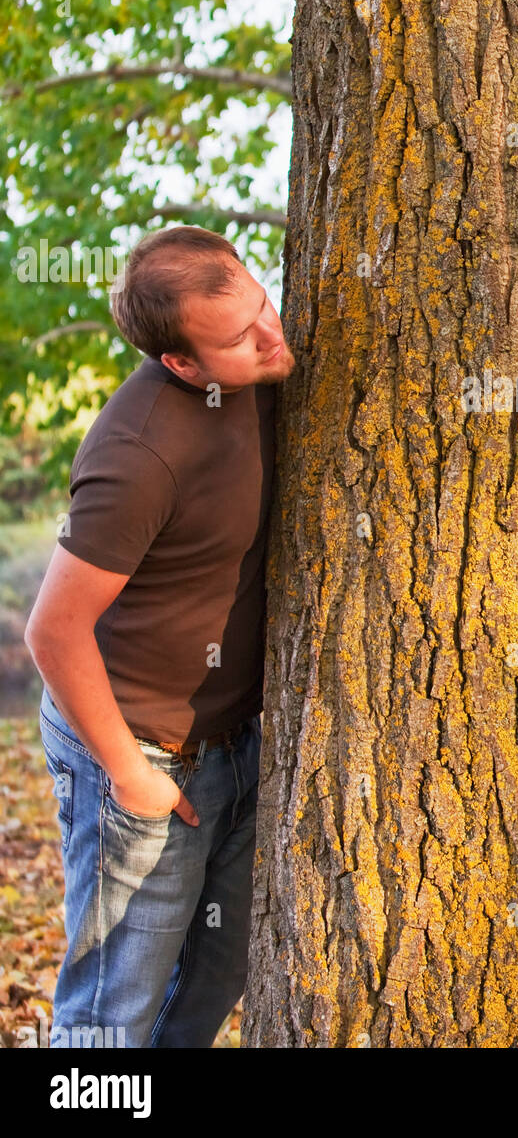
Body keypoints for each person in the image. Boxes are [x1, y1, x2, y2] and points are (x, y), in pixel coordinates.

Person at [25, 225, 296, 1048]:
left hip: (233, 744)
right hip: (135, 754)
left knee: (215, 977)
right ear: (182, 365)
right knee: (114, 1012)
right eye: (238, 340)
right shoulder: (140, 452)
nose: (270, 334)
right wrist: (128, 777)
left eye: (261, 304)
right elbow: (53, 629)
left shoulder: (266, 366)